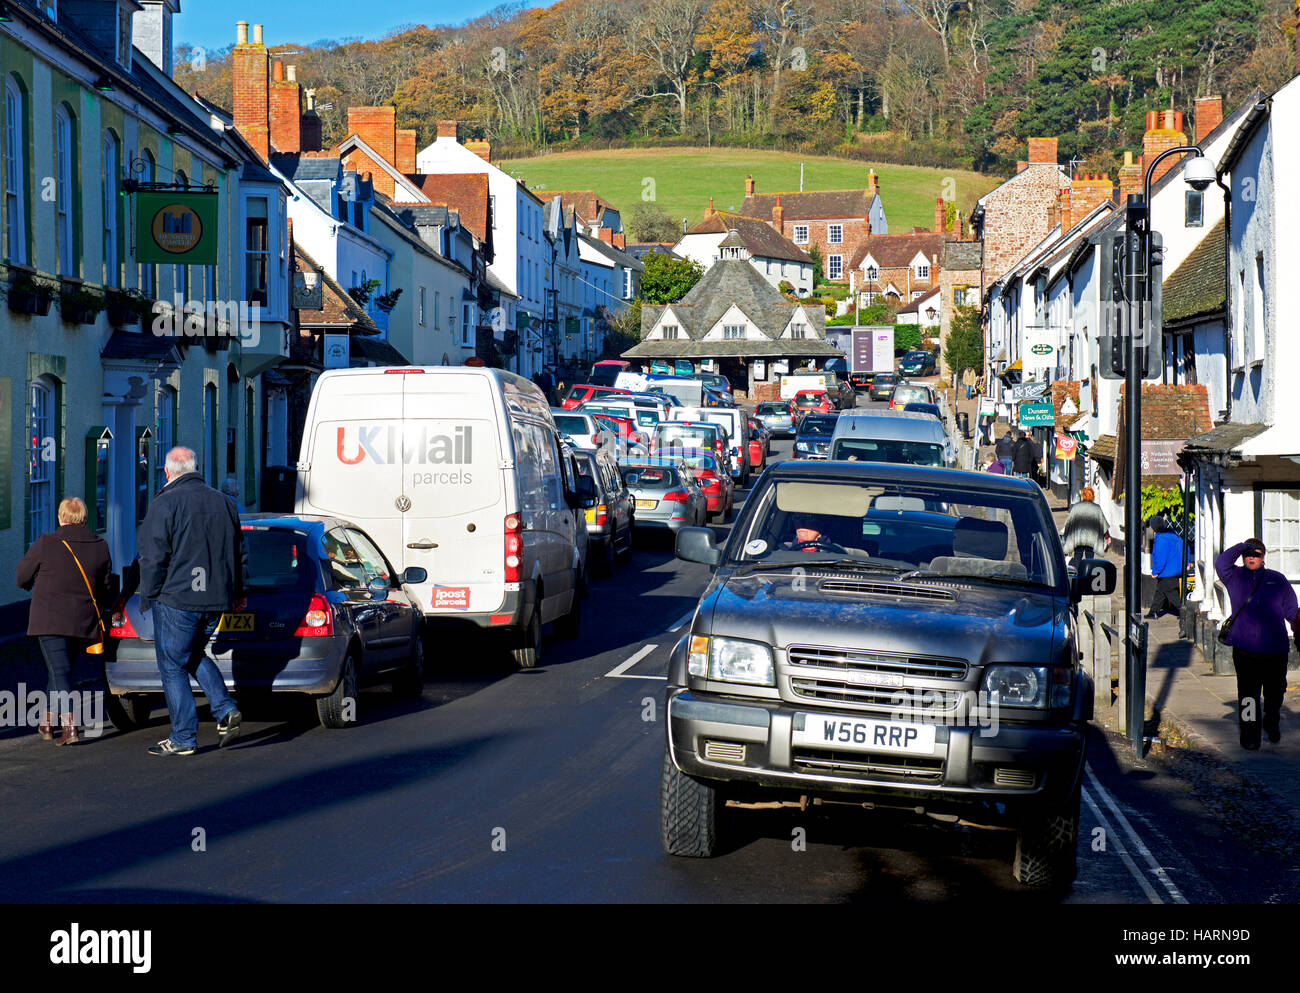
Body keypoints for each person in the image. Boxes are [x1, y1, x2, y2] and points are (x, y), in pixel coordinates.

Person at [137, 447, 245, 756]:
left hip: (178, 597)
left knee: (172, 665)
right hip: (216, 597)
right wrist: (238, 593)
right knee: (192, 652)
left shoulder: (164, 502)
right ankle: (225, 708)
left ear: (168, 472)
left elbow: (153, 556)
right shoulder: (225, 503)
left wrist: (150, 594)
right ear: (197, 468)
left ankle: (183, 737)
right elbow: (239, 553)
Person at [15, 498, 112, 745]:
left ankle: (70, 727)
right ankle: (47, 722)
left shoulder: (46, 543)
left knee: (60, 671)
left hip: (50, 619)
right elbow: (104, 586)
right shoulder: (100, 546)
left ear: (60, 517)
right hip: (82, 621)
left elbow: (21, 577)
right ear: (84, 518)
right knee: (60, 671)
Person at [1214, 538, 1300, 749]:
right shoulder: (1234, 576)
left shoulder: (1277, 580)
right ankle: (1249, 735)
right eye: (1248, 555)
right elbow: (1221, 563)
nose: (1252, 558)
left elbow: (1291, 611)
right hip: (1245, 650)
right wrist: (1243, 545)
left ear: (1264, 556)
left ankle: (1271, 722)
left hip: (1275, 650)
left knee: (1275, 694)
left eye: (1256, 554)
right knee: (1248, 696)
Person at [1147, 517, 1184, 618]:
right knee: (1160, 593)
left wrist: (1155, 571)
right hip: (1176, 569)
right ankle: (1153, 613)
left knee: (1173, 595)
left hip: (1167, 572)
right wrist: (1187, 561)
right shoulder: (1174, 536)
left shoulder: (1161, 539)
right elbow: (1186, 548)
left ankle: (1184, 613)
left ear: (1154, 527)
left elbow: (1160, 558)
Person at [1061, 486, 1109, 563]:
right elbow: (1103, 524)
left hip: (1078, 537)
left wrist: (1065, 535)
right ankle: (1088, 572)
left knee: (1077, 556)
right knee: (1089, 558)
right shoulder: (1097, 508)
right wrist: (1107, 536)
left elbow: (1068, 522)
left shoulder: (1076, 507)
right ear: (1093, 496)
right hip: (1091, 538)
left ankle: (1077, 572)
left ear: (1083, 495)